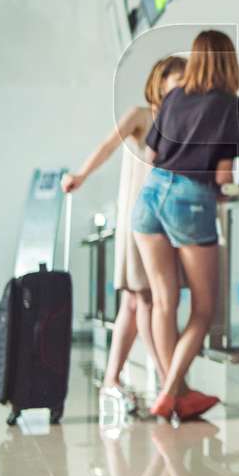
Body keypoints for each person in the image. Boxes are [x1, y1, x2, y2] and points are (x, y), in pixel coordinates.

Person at [132, 29, 239, 423]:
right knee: (203, 310)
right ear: (228, 61)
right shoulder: (233, 107)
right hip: (190, 198)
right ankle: (171, 393)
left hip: (150, 196)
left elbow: (150, 155)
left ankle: (176, 393)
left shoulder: (172, 99)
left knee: (164, 301)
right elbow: (222, 176)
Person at [62, 54, 186, 418]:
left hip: (161, 221)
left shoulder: (179, 121)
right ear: (159, 82)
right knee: (144, 299)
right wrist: (81, 176)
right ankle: (169, 383)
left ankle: (114, 380)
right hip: (139, 220)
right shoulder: (140, 115)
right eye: (174, 80)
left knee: (134, 303)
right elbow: (107, 146)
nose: (180, 87)